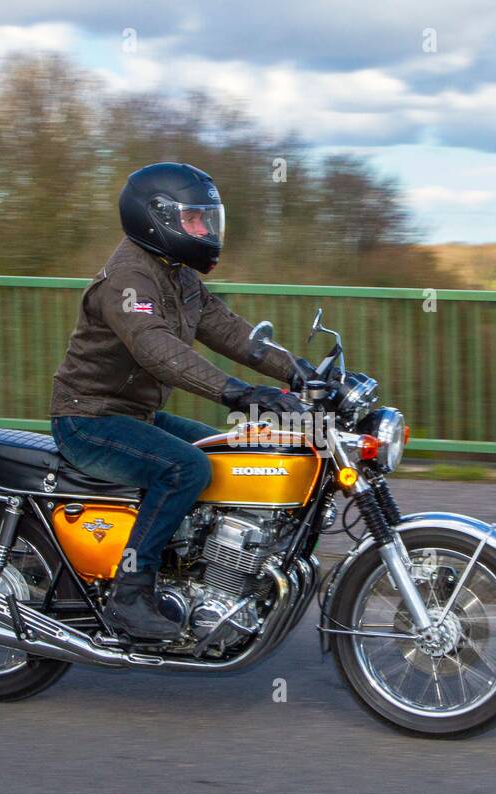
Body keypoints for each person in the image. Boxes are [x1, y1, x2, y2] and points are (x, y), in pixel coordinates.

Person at [50, 162, 306, 642]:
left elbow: (230, 331)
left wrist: (298, 370)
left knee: (235, 452)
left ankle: (197, 571)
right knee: (186, 468)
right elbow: (156, 350)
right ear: (157, 218)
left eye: (208, 218)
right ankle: (130, 593)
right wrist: (239, 392)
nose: (205, 229)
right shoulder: (128, 280)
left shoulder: (177, 274)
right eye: (193, 219)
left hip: (134, 414)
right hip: (89, 419)